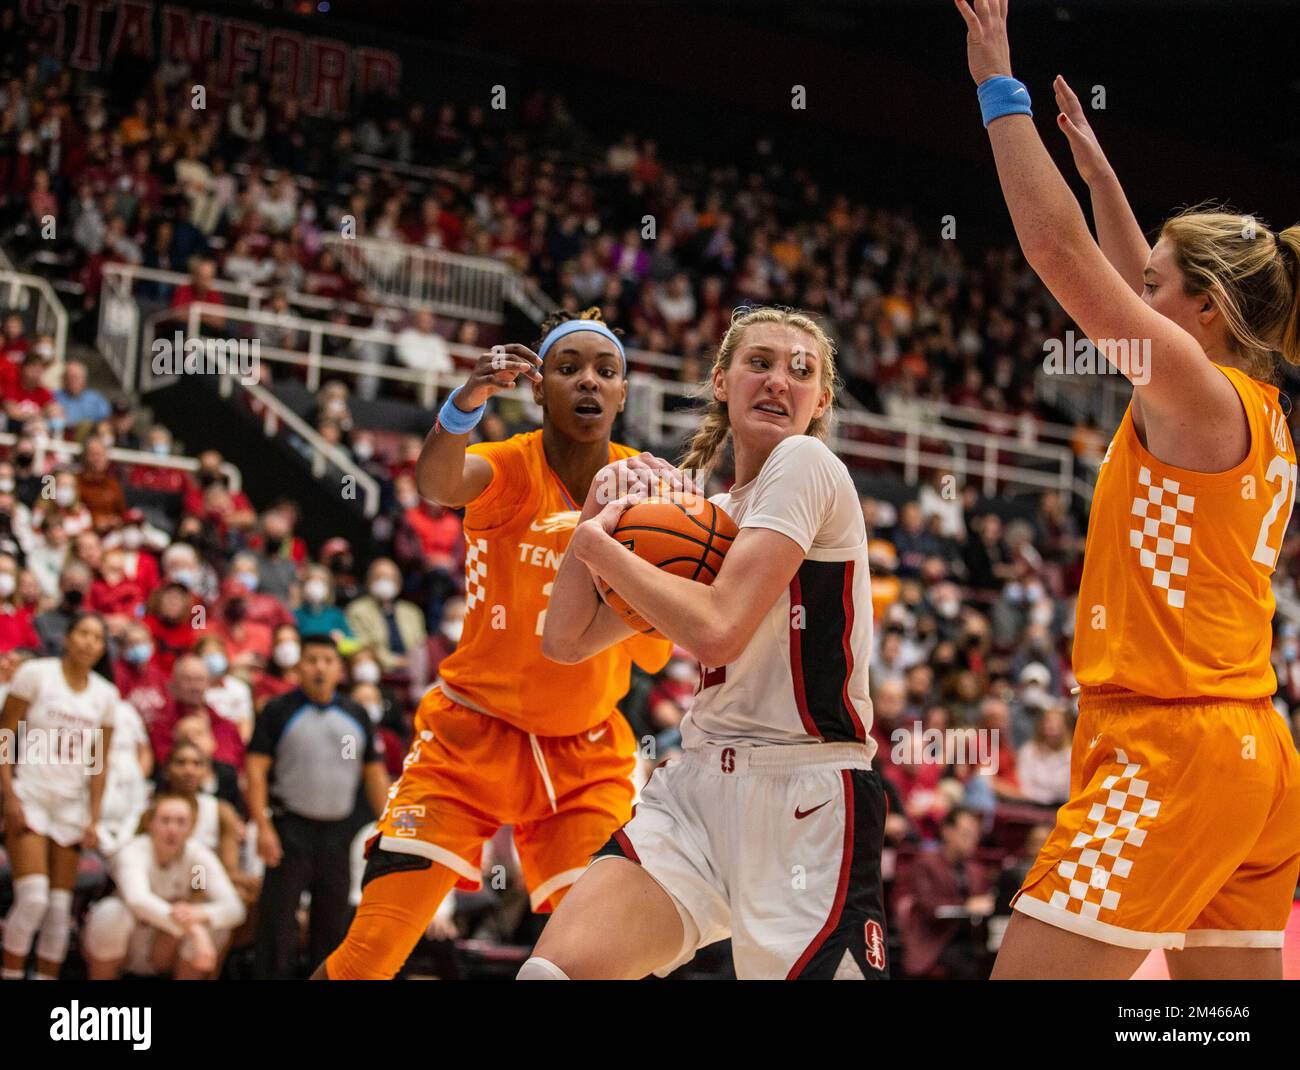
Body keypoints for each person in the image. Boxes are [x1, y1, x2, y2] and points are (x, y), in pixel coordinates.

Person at [954, 1, 1300, 979]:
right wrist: (1101, 175)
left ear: (1206, 309)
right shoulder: (1247, 405)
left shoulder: (1192, 391)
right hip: (1251, 752)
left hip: (1170, 744)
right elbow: (1109, 262)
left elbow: (1063, 260)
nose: (1132, 295)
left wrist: (996, 89)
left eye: (1152, 285)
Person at [524, 306, 885, 980]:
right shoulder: (712, 519)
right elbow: (566, 640)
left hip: (805, 795)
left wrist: (602, 546)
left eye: (800, 371)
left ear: (821, 402)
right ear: (721, 381)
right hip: (696, 793)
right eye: (760, 363)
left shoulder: (807, 464)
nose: (779, 380)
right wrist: (597, 511)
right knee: (554, 974)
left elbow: (719, 628)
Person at [317, 309, 673, 980]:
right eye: (568, 370)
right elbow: (436, 485)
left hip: (584, 757)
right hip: (469, 739)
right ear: (538, 390)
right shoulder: (512, 466)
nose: (588, 383)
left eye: (606, 371)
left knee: (604, 967)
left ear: (625, 392)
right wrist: (464, 405)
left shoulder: (646, 491)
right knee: (367, 960)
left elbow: (655, 653)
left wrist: (659, 566)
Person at [248, 636, 389, 979]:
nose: (320, 667)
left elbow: (374, 774)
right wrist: (263, 827)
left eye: (328, 660)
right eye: (312, 660)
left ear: (339, 669)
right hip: (289, 830)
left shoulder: (356, 714)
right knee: (277, 927)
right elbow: (255, 771)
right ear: (299, 667)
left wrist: (388, 826)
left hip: (338, 834)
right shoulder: (278, 710)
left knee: (332, 926)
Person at [0, 613, 119, 980]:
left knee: (57, 908)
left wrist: (94, 818)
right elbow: (4, 736)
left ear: (102, 648)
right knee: (33, 898)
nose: (88, 642)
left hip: (71, 805)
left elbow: (99, 763)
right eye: (82, 633)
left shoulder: (106, 695)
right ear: (67, 637)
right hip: (31, 794)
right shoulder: (36, 675)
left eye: (96, 637)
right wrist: (8, 796)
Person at [81, 792, 246, 980]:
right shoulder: (133, 851)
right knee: (111, 913)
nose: (172, 829)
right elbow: (138, 900)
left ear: (192, 828)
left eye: (180, 822)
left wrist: (200, 913)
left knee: (216, 924)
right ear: (150, 824)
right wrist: (194, 930)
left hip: (163, 950)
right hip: (126, 946)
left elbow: (235, 908)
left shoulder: (197, 859)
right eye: (165, 821)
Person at [899, 807, 994, 980]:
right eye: (966, 833)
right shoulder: (926, 863)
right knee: (967, 962)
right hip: (935, 941)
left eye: (975, 834)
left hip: (971, 940)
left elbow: (985, 902)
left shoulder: (976, 870)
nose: (971, 840)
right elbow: (928, 907)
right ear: (947, 831)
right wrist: (966, 906)